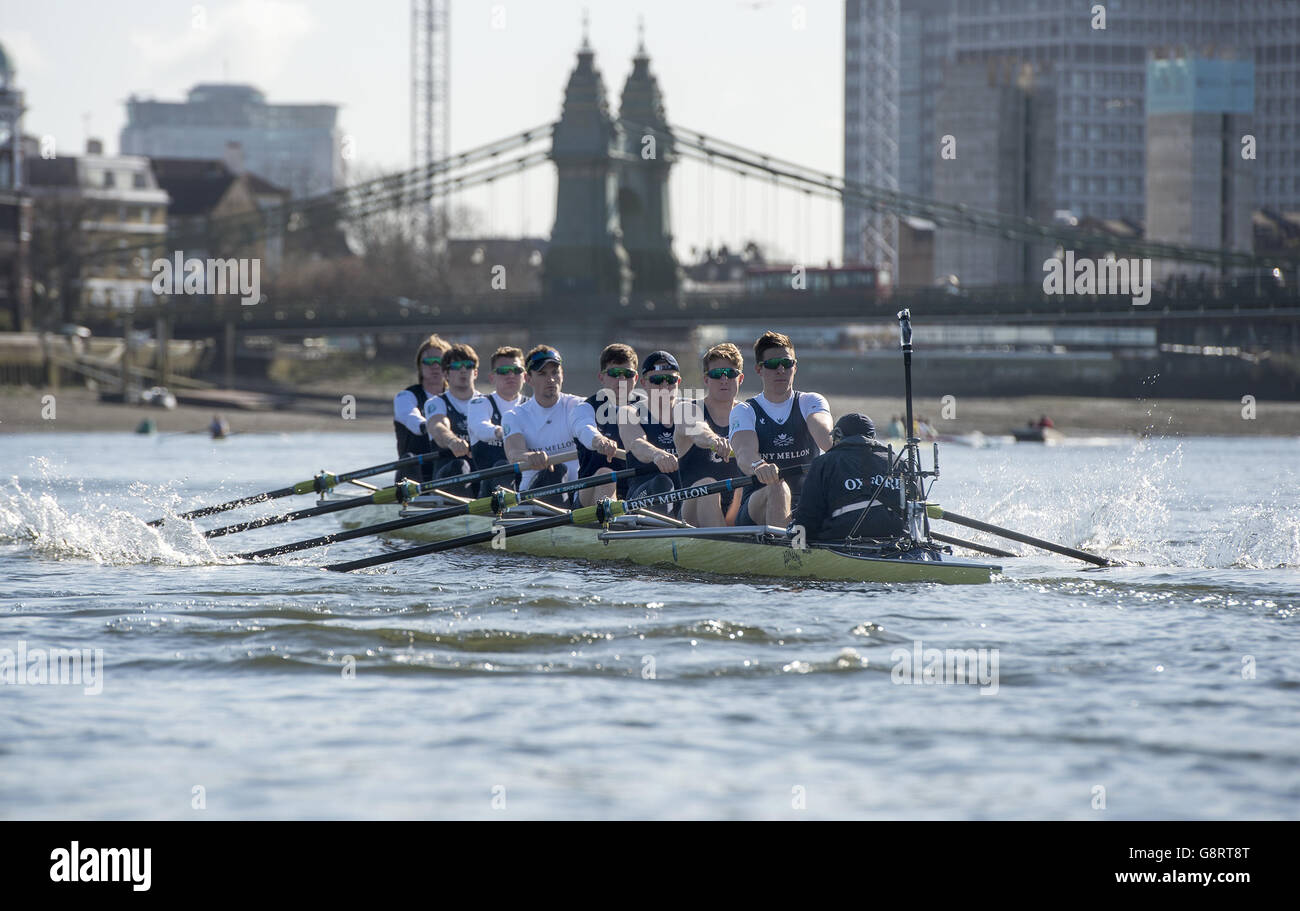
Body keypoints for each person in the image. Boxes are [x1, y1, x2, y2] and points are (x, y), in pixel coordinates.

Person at [728, 331, 834, 528]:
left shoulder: (811, 402)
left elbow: (826, 438)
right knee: (778, 487)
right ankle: (787, 553)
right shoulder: (744, 411)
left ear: (795, 367)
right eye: (771, 365)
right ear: (759, 369)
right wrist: (759, 466)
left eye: (786, 364)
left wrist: (846, 452)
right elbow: (744, 454)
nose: (780, 370)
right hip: (758, 505)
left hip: (805, 504)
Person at [790, 413, 906, 542]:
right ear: (873, 436)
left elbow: (808, 514)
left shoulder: (823, 463)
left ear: (838, 435)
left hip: (840, 538)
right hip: (896, 537)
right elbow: (915, 511)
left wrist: (798, 541)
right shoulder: (901, 463)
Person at [502, 345, 583, 505]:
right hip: (534, 499)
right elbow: (514, 453)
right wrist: (529, 457)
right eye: (542, 374)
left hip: (578, 495)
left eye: (555, 372)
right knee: (556, 470)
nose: (551, 379)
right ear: (528, 378)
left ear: (562, 375)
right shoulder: (514, 416)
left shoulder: (579, 406)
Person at [675, 342, 745, 527]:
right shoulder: (687, 409)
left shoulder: (749, 413)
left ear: (740, 378)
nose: (724, 380)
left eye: (730, 374)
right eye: (716, 375)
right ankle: (726, 546)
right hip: (692, 511)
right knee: (708, 485)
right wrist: (715, 440)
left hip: (736, 507)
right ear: (706, 380)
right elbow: (698, 431)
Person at [570, 343, 643, 508]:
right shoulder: (585, 408)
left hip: (634, 494)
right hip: (590, 495)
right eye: (614, 373)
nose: (621, 380)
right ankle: (610, 527)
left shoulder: (648, 408)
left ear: (636, 378)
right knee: (606, 475)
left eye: (628, 374)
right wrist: (599, 440)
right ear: (601, 377)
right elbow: (584, 428)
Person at [619, 350, 684, 511]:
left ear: (679, 381)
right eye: (657, 380)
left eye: (670, 380)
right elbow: (637, 444)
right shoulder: (629, 412)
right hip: (642, 496)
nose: (664, 386)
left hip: (684, 496)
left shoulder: (691, 410)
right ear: (644, 383)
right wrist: (657, 454)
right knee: (662, 482)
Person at [422, 342, 484, 497]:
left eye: (468, 365)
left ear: (475, 372)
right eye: (456, 366)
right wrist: (452, 441)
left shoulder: (487, 403)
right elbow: (438, 426)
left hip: (481, 478)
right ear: (446, 374)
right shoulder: (436, 403)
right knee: (460, 465)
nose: (463, 370)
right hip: (447, 477)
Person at [467, 346, 526, 496]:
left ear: (525, 376)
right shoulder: (479, 403)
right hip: (489, 492)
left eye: (517, 370)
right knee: (503, 466)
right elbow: (480, 427)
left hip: (527, 488)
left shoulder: (532, 406)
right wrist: (504, 431)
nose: (511, 375)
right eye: (503, 371)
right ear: (492, 377)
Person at [393, 334, 449, 484]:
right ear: (420, 366)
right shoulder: (405, 397)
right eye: (429, 362)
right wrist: (433, 427)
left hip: (448, 472)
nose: (435, 366)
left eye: (440, 361)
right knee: (409, 459)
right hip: (415, 474)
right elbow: (411, 417)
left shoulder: (458, 399)